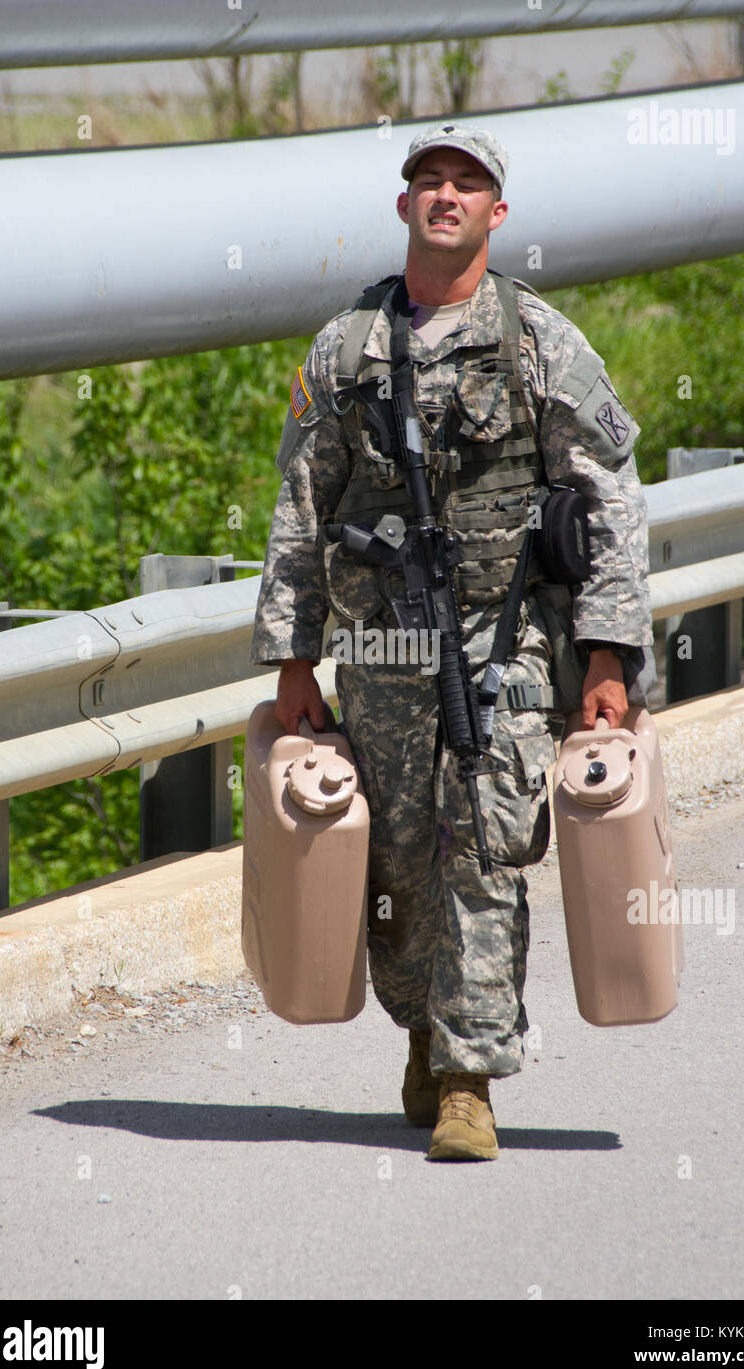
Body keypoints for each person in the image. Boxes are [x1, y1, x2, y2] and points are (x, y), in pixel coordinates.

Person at [251, 122, 654, 1162]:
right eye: (425, 181)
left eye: (463, 183)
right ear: (403, 209)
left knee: (482, 843)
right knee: (388, 858)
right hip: (380, 649)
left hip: (502, 642)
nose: (443, 196)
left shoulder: (535, 341)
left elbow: (608, 491)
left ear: (494, 213)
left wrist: (605, 653)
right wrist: (293, 657)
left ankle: (471, 1077)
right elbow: (302, 503)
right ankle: (424, 1031)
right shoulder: (345, 348)